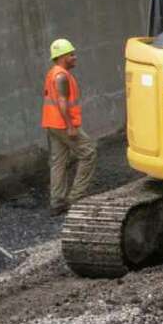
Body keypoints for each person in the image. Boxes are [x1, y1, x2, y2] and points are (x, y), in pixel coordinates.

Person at [43, 37, 96, 215]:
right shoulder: (61, 77)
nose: (75, 57)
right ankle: (76, 198)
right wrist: (71, 127)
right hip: (63, 124)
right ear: (62, 56)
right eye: (71, 55)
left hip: (51, 123)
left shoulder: (53, 73)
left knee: (58, 161)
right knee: (88, 152)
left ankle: (57, 202)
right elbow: (62, 102)